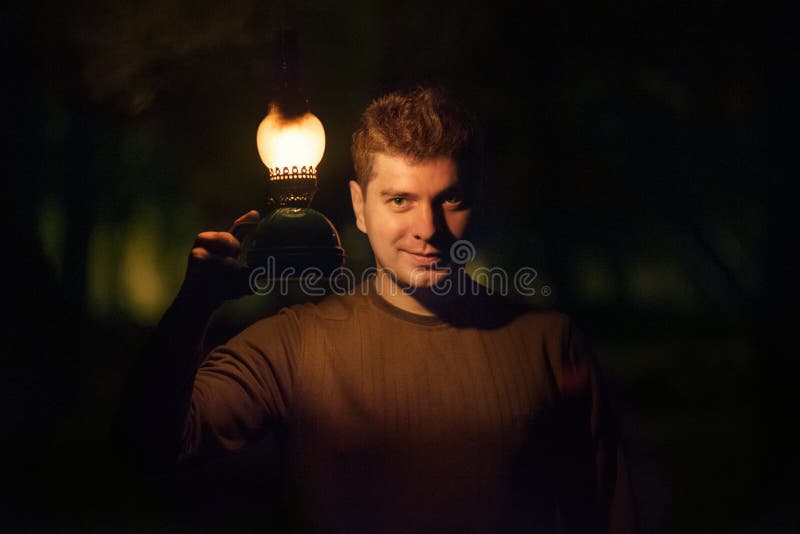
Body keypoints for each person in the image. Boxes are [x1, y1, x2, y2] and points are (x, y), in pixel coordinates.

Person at [121, 86, 638, 533]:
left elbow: (605, 518)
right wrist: (194, 307)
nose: (427, 227)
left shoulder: (548, 344)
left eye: (449, 199)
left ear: (475, 200)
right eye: (399, 200)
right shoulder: (297, 346)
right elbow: (152, 446)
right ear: (358, 207)